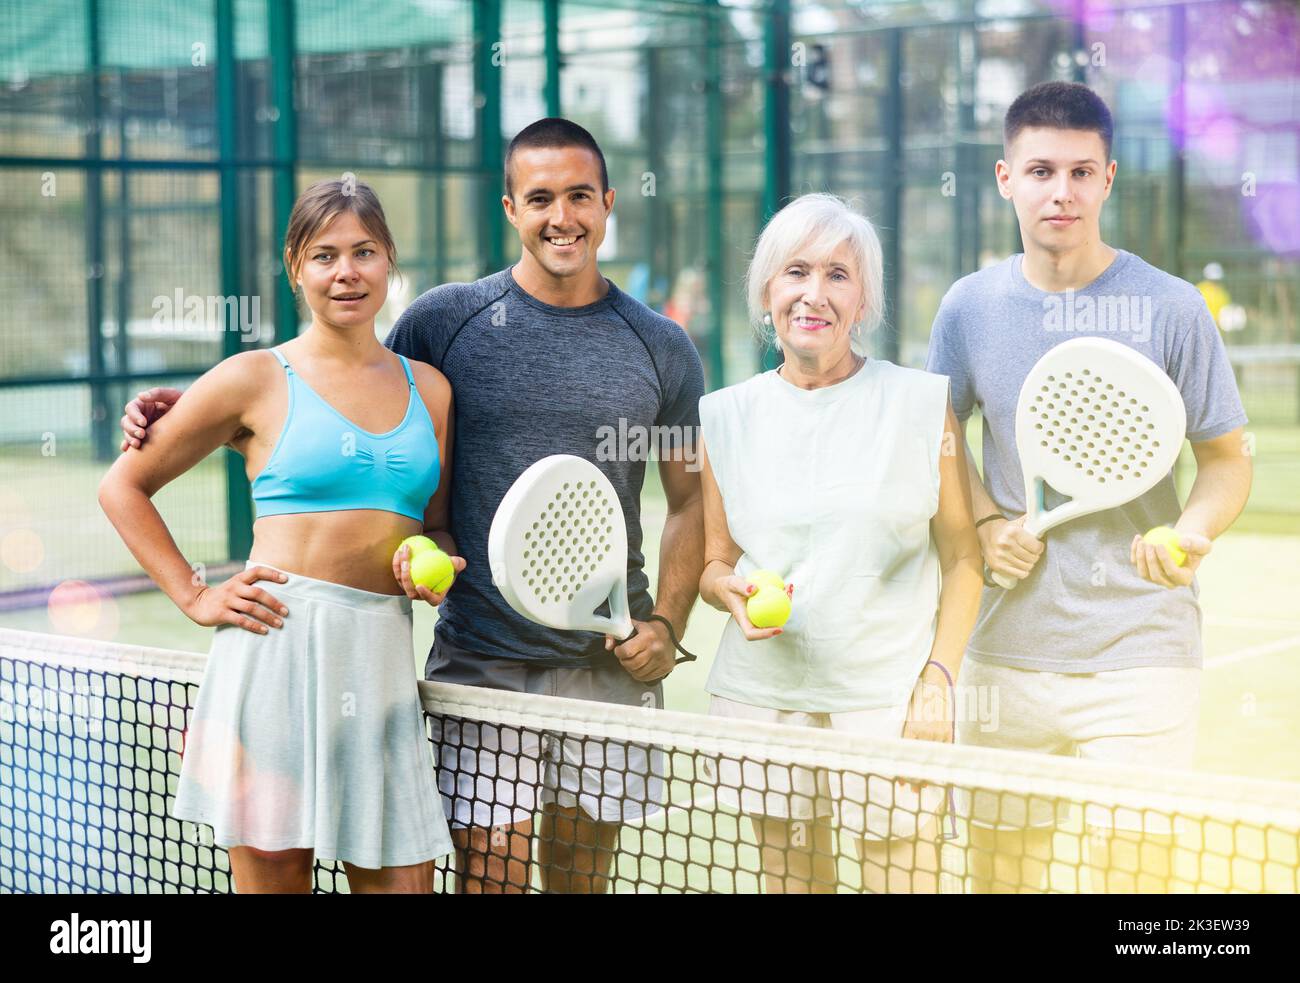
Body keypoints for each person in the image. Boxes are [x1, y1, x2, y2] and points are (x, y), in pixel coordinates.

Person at [119, 118, 707, 894]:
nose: (560, 216)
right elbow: (336, 394)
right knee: (486, 878)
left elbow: (689, 500)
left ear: (607, 202)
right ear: (509, 207)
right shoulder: (440, 323)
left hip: (600, 665)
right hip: (477, 660)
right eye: (539, 198)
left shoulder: (663, 346)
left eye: (577, 197)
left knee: (579, 880)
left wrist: (667, 623)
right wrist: (196, 413)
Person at [925, 82, 1253, 893]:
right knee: (1003, 876)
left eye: (1080, 172)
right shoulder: (967, 309)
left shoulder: (1174, 310)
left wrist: (1195, 532)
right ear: (1006, 178)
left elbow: (1226, 458)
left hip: (1141, 648)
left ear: (1108, 179)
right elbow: (939, 437)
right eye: (1040, 171)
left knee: (1135, 883)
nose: (1060, 192)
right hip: (1002, 653)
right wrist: (988, 517)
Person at [100, 179, 458, 893]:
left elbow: (437, 523)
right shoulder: (252, 378)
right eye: (325, 255)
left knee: (403, 882)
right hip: (273, 652)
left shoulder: (433, 389)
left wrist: (436, 562)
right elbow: (122, 486)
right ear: (295, 265)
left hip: (379, 663)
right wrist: (194, 594)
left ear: (389, 260)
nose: (346, 272)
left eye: (363, 251)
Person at [697, 193, 983, 893]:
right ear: (769, 292)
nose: (813, 294)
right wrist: (721, 589)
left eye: (838, 275)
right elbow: (714, 561)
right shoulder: (724, 416)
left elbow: (965, 556)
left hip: (891, 703)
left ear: (863, 302)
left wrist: (939, 681)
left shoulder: (921, 403)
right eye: (796, 271)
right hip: (767, 701)